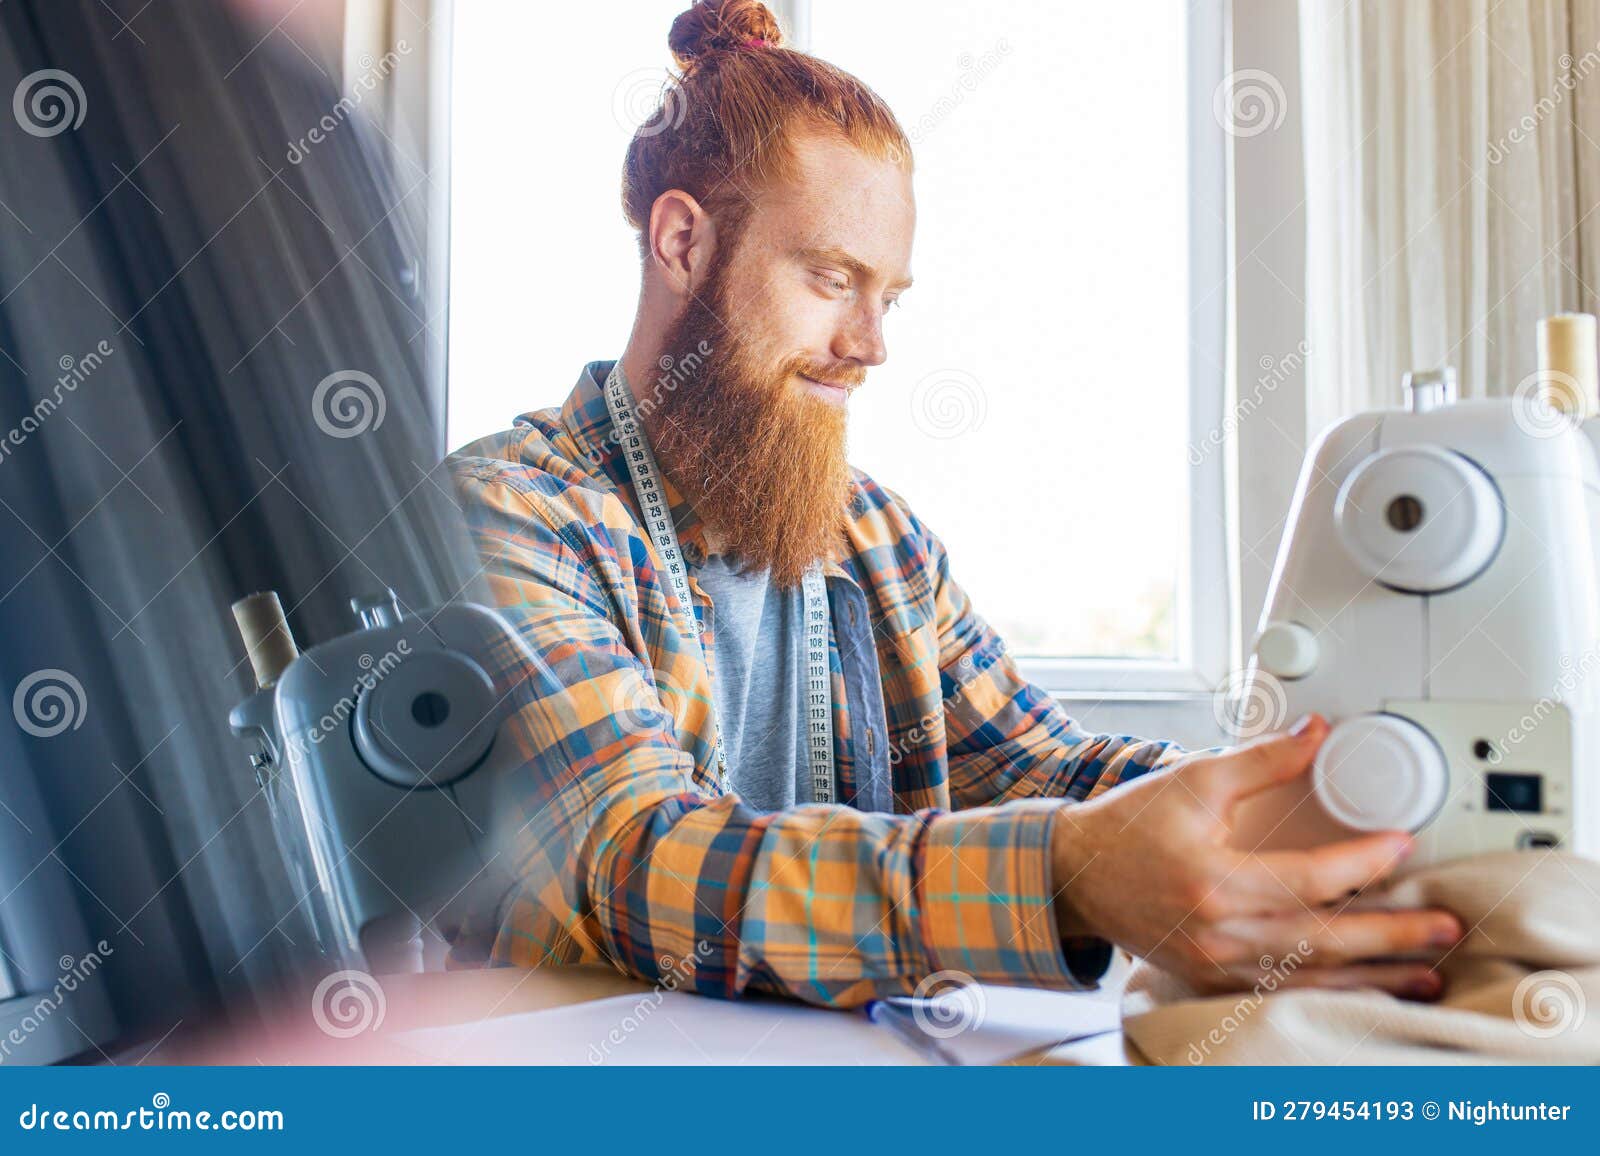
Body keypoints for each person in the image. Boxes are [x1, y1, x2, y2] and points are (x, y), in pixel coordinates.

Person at [446, 0, 1462, 1007]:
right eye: (831, 277)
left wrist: (1294, 806)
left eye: (887, 297)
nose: (869, 344)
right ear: (681, 242)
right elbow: (635, 864)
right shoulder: (507, 518)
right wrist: (1060, 874)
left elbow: (1045, 769)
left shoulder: (878, 538)